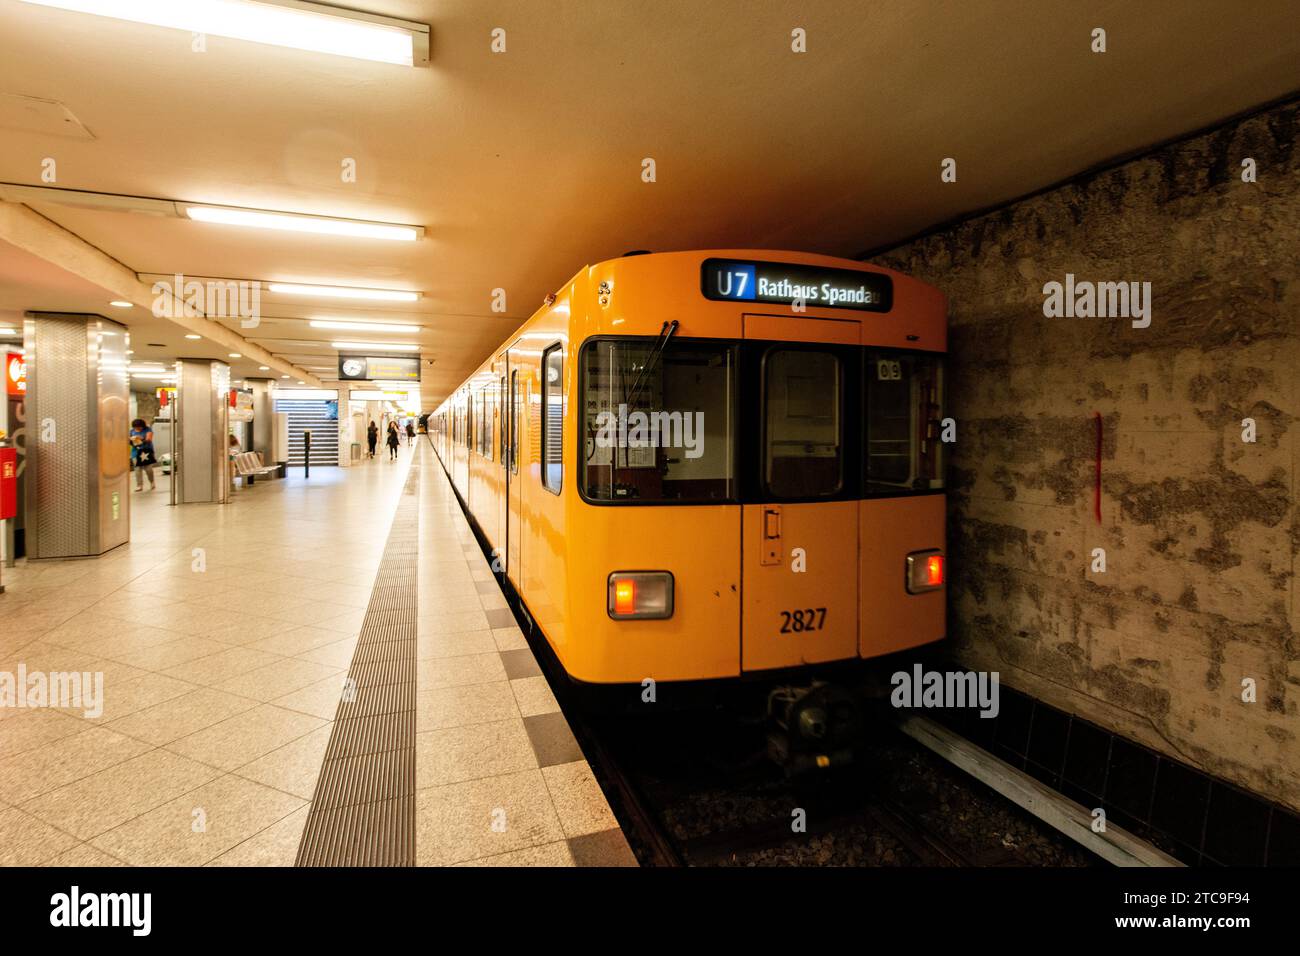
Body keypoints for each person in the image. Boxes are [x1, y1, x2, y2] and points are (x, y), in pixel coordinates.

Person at [130, 418, 157, 491]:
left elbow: (149, 439)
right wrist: (131, 441)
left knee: (148, 469)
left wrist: (141, 438)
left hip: (146, 451)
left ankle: (152, 482)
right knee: (137, 469)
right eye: (135, 427)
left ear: (142, 426)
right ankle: (139, 485)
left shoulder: (148, 430)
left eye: (139, 427)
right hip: (135, 452)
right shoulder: (131, 431)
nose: (137, 428)